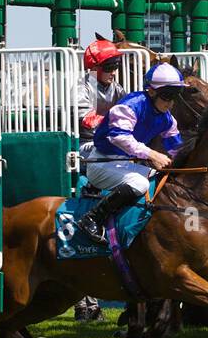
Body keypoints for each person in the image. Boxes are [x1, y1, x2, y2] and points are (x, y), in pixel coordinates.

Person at [77, 63, 186, 243]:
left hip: (123, 165)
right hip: (101, 164)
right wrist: (153, 154)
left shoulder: (166, 118)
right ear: (151, 92)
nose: (171, 102)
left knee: (159, 179)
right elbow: (120, 137)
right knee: (140, 183)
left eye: (175, 96)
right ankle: (92, 218)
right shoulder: (131, 106)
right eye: (167, 95)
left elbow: (176, 147)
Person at [73, 39, 128, 320]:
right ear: (94, 67)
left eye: (116, 65)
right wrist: (114, 122)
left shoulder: (116, 88)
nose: (114, 71)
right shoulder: (81, 88)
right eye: (109, 66)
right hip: (85, 149)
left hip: (109, 146)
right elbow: (86, 120)